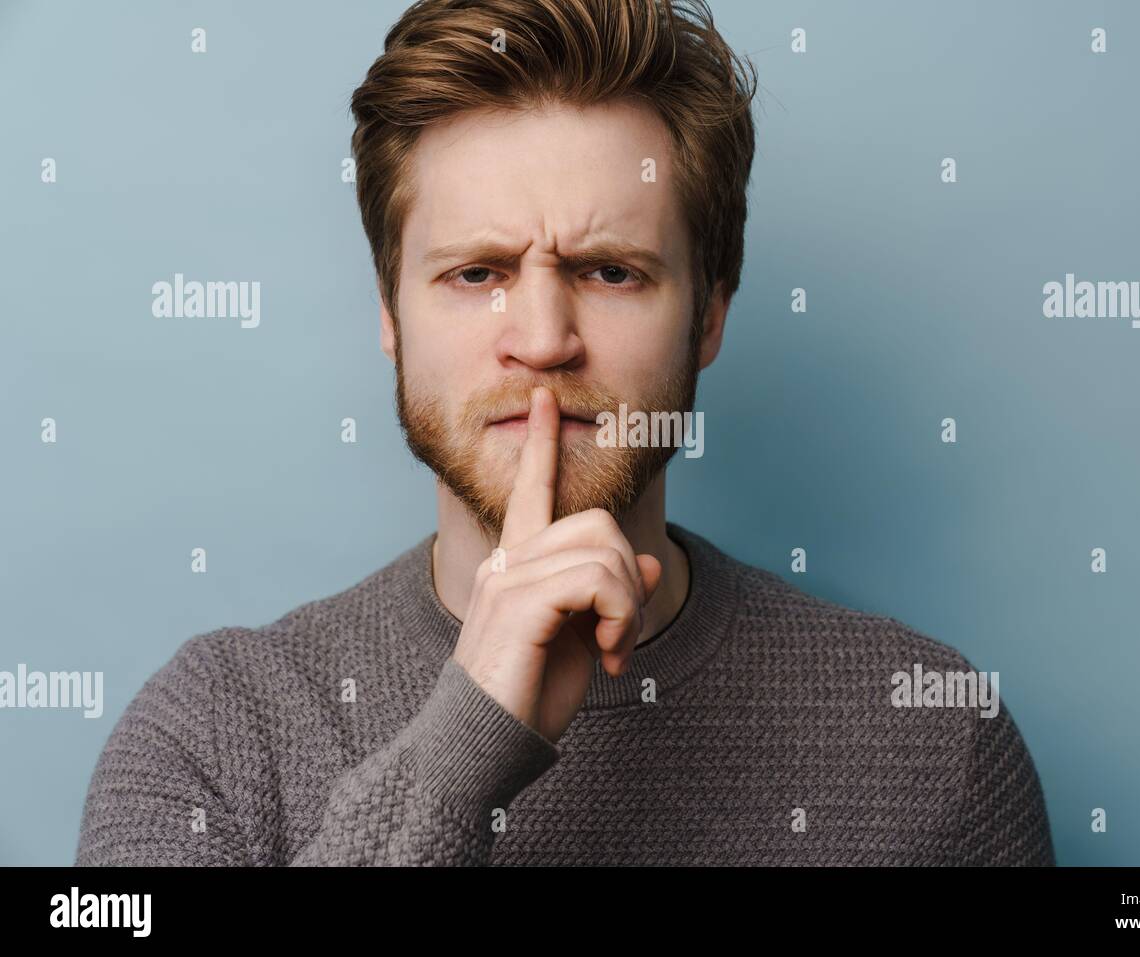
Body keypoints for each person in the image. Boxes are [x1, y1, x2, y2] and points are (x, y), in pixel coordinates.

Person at [76, 0, 1054, 866]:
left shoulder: (927, 732)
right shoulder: (213, 730)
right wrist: (466, 746)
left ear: (709, 315)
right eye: (476, 274)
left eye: (609, 271)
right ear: (389, 314)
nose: (542, 342)